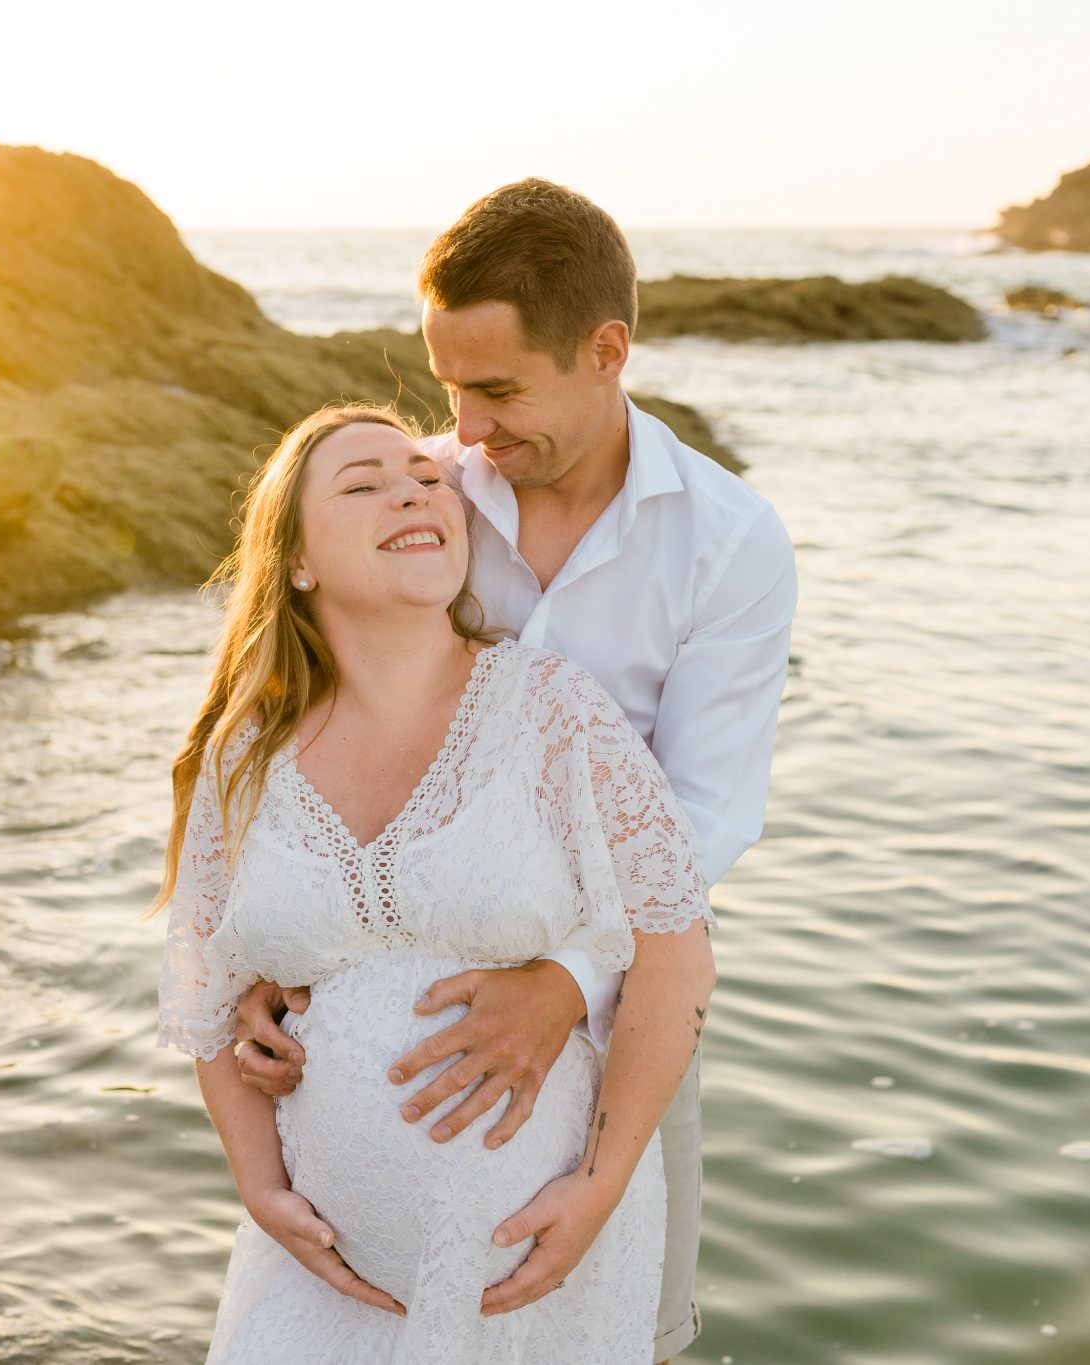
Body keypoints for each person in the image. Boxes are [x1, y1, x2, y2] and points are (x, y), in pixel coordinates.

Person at [227, 178, 798, 1362]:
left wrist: (563, 983)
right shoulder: (413, 500)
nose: (466, 431)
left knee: (637, 1329)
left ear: (605, 351)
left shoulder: (728, 544)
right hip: (368, 1049)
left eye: (495, 390)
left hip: (624, 998)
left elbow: (698, 823)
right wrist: (252, 970)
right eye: (447, 390)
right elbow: (287, 736)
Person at [152, 401, 716, 1361]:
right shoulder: (245, 753)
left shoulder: (552, 708)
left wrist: (600, 1183)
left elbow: (676, 948)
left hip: (540, 1281)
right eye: (363, 484)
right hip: (317, 1281)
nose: (414, 491)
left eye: (426, 478)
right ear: (297, 560)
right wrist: (261, 1186)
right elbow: (205, 991)